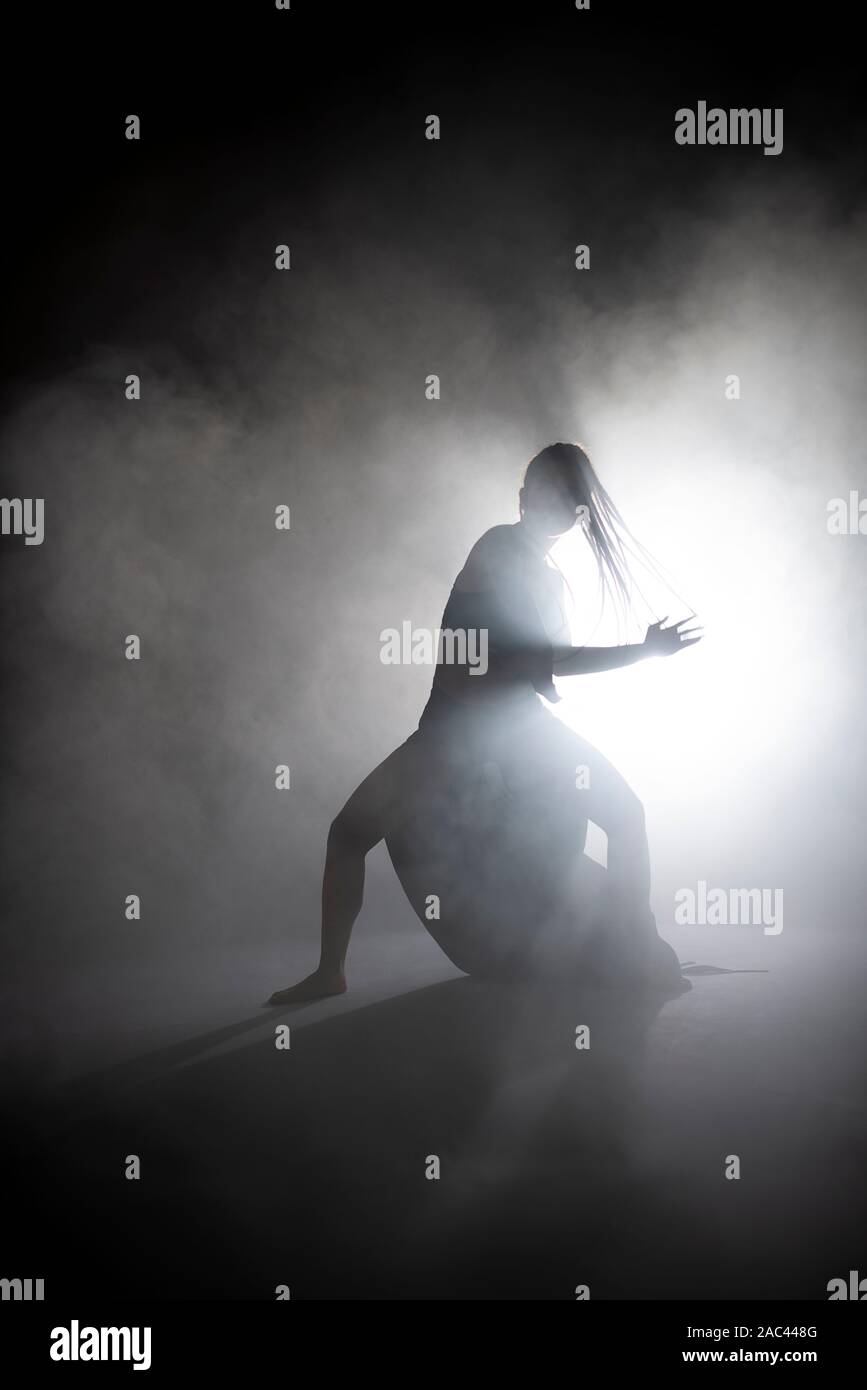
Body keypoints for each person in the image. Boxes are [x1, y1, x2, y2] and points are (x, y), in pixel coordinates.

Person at [266, 442, 701, 1005]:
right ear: (522, 497)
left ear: (577, 514)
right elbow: (539, 658)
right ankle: (331, 973)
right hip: (458, 731)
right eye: (539, 491)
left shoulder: (548, 575)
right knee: (349, 833)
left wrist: (610, 661)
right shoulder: (498, 546)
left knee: (624, 812)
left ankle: (633, 947)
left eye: (563, 498)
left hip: (513, 729)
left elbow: (541, 665)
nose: (547, 504)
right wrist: (638, 652)